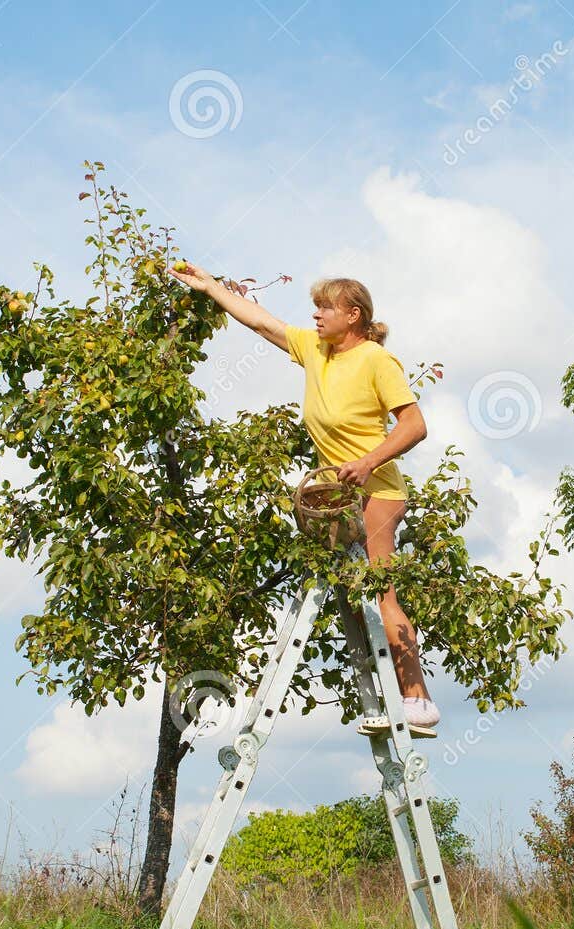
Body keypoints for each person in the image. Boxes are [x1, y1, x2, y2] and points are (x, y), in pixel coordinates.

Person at [167, 261, 442, 733]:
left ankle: (418, 702)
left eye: (324, 308)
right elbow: (260, 320)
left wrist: (369, 461)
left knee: (381, 591)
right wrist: (209, 285)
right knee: (351, 599)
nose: (315, 316)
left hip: (377, 492)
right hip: (336, 496)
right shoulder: (317, 350)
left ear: (353, 315)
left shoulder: (376, 360)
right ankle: (381, 703)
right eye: (314, 308)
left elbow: (415, 426)